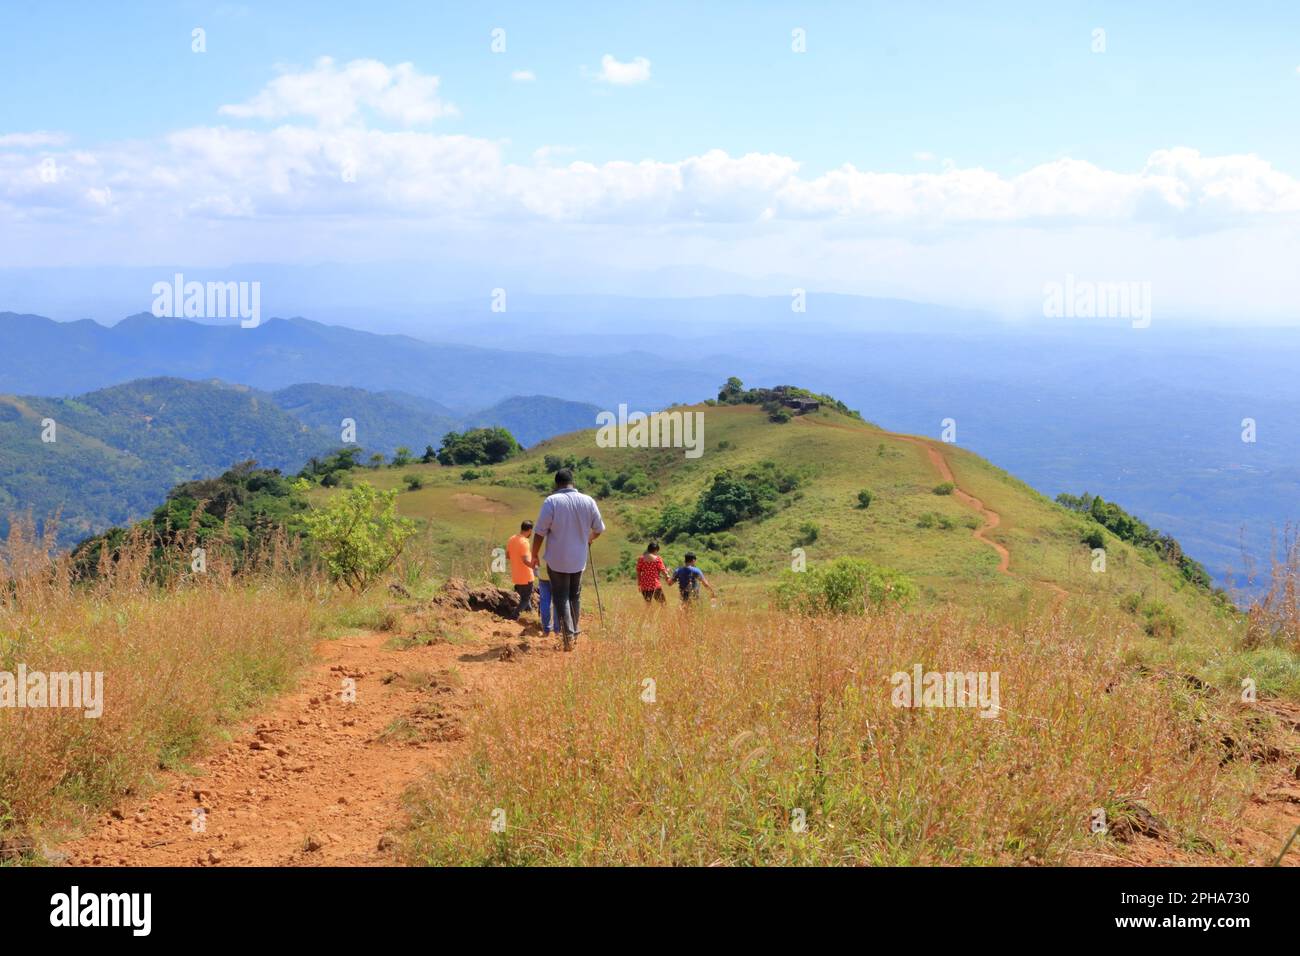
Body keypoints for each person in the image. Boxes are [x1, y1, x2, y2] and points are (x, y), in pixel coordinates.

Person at [530, 468, 605, 650]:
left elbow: (539, 532)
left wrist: (534, 554)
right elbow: (599, 528)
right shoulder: (588, 501)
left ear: (556, 484)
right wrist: (589, 539)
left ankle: (568, 636)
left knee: (561, 596)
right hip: (578, 560)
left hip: (557, 559)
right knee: (575, 596)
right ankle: (574, 632)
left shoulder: (552, 501)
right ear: (573, 482)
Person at [505, 520, 535, 620]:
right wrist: (534, 566)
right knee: (525, 598)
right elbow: (526, 560)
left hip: (516, 575)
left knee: (525, 597)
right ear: (530, 530)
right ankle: (515, 615)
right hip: (526, 576)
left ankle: (530, 612)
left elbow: (508, 555)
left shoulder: (512, 539)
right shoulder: (524, 542)